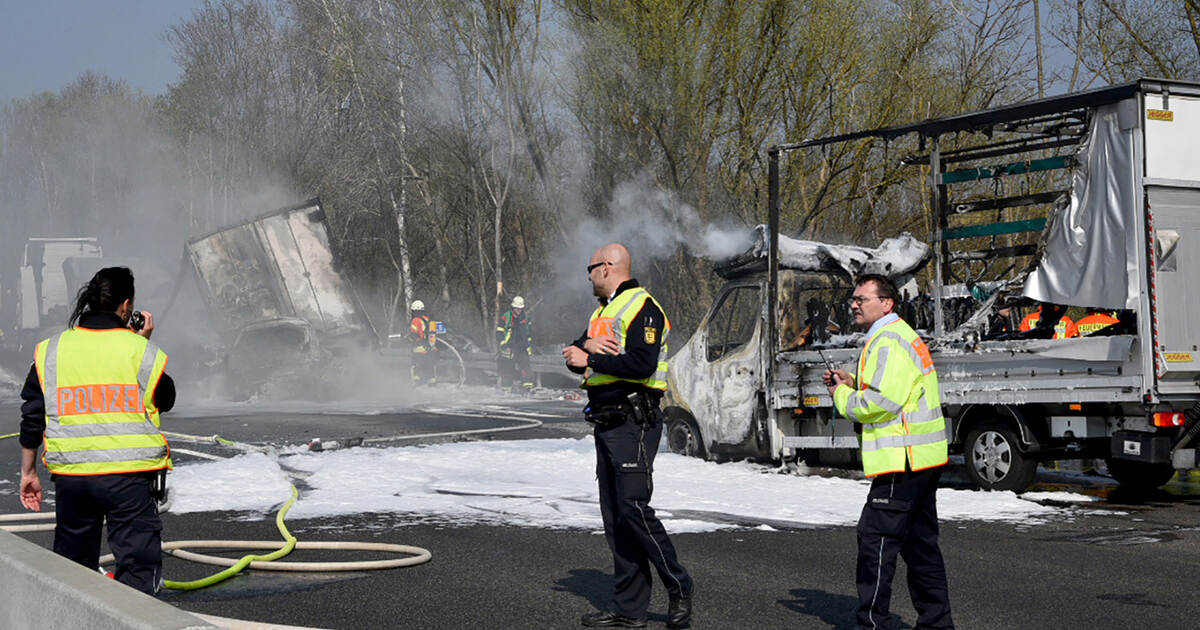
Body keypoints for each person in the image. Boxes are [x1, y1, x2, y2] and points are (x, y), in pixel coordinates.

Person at [17, 266, 175, 596]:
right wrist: (139, 342)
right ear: (127, 306)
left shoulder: (52, 350)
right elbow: (166, 398)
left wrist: (28, 472)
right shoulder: (139, 349)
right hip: (129, 477)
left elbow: (33, 416)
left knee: (72, 574)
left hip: (73, 478)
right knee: (139, 573)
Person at [563, 243, 693, 629]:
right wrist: (585, 347)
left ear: (606, 267)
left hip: (633, 421)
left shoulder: (643, 307)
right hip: (607, 421)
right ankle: (629, 609)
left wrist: (591, 356)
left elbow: (641, 364)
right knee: (617, 518)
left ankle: (679, 585)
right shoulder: (603, 310)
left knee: (634, 508)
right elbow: (575, 354)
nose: (588, 276)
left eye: (590, 269)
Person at [823, 274, 954, 630]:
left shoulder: (889, 340)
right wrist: (854, 383)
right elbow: (896, 391)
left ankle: (873, 624)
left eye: (862, 299)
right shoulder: (895, 335)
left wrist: (842, 396)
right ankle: (937, 624)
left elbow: (882, 403)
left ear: (886, 303)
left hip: (901, 461)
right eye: (854, 299)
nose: (854, 304)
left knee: (876, 542)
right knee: (920, 547)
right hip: (920, 459)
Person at [497, 295, 535, 391]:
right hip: (509, 347)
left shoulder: (525, 318)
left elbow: (529, 333)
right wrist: (504, 345)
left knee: (526, 367)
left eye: (520, 308)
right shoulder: (506, 317)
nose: (519, 310)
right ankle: (506, 389)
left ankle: (528, 388)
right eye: (517, 308)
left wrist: (528, 346)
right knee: (507, 369)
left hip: (522, 347)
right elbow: (499, 332)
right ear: (513, 307)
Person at [408, 300, 438, 385]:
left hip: (420, 347)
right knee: (428, 365)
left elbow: (414, 335)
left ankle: (416, 381)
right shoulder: (426, 318)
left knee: (414, 364)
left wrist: (407, 339)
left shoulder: (415, 320)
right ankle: (432, 381)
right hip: (429, 347)